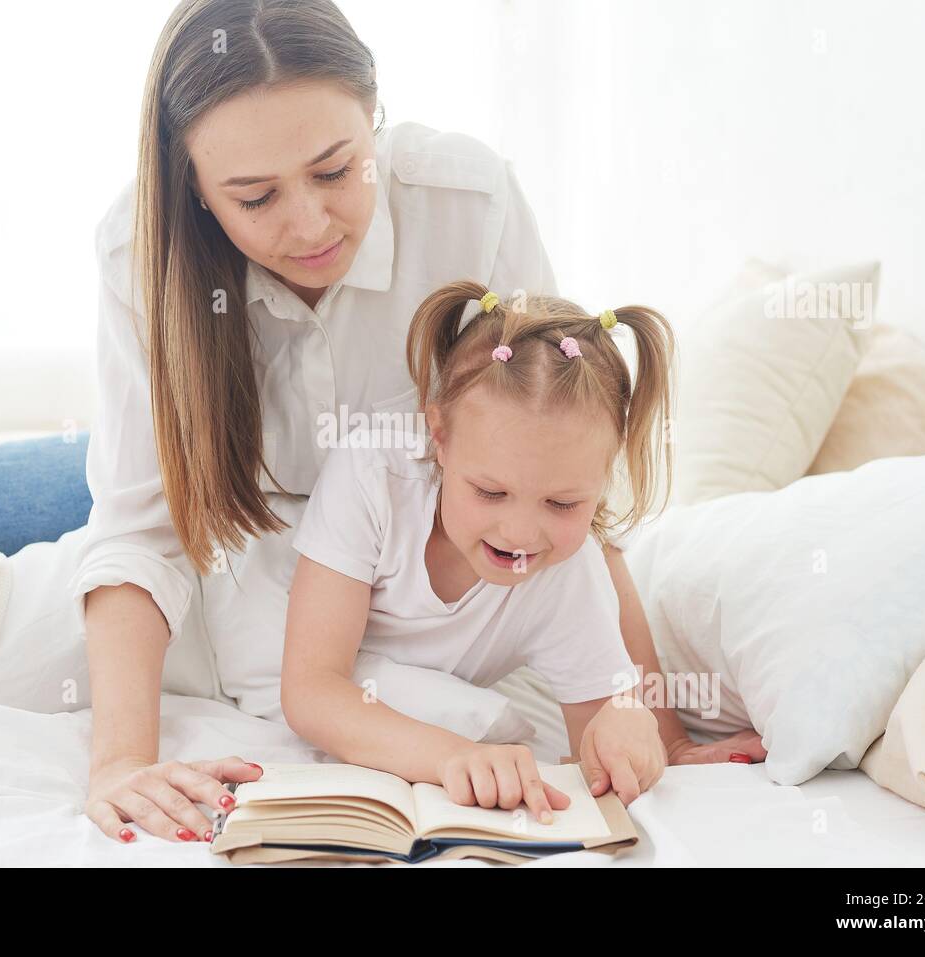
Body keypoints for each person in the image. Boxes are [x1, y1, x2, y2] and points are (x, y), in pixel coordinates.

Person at [0, 0, 766, 845]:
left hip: (381, 529)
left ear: (376, 124)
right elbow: (138, 525)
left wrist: (658, 731)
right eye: (255, 196)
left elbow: (552, 444)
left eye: (334, 169)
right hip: (215, 491)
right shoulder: (145, 252)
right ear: (193, 188)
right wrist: (122, 761)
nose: (310, 224)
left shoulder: (467, 197)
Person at [282, 283, 672, 818]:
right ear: (438, 435)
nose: (519, 534)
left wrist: (628, 727)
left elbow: (601, 726)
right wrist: (451, 756)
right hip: (280, 639)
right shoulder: (373, 475)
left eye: (562, 503)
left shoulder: (567, 564)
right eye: (490, 493)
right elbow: (310, 690)